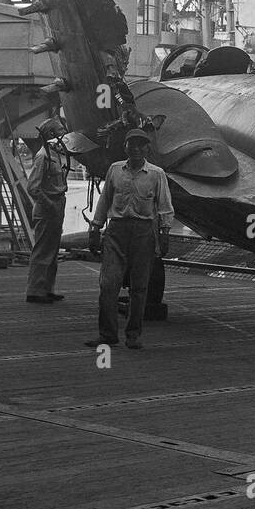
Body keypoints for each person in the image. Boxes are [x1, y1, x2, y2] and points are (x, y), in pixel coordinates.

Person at [86, 129, 173, 352]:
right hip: (116, 231)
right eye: (131, 144)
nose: (135, 148)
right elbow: (104, 200)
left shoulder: (156, 174)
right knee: (108, 285)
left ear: (147, 149)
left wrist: (164, 234)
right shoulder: (115, 170)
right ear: (125, 147)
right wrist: (95, 228)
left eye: (140, 144)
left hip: (143, 232)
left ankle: (133, 335)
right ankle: (107, 334)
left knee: (139, 287)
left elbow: (164, 207)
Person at [25, 117, 70, 305]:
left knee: (52, 251)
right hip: (47, 207)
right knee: (43, 249)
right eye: (60, 130)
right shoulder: (43, 156)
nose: (64, 132)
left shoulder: (56, 153)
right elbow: (33, 187)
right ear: (51, 134)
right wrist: (49, 204)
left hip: (57, 204)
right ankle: (35, 291)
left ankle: (47, 289)